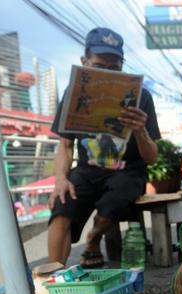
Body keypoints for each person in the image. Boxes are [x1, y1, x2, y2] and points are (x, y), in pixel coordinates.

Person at [47, 27, 160, 267]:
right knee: (62, 204)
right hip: (87, 170)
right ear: (84, 61)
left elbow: (151, 158)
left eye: (114, 68)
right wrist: (60, 179)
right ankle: (52, 280)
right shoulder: (73, 94)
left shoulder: (143, 97)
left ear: (122, 65)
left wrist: (139, 130)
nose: (107, 73)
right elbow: (65, 145)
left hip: (128, 170)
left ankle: (93, 238)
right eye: (99, 66)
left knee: (117, 196)